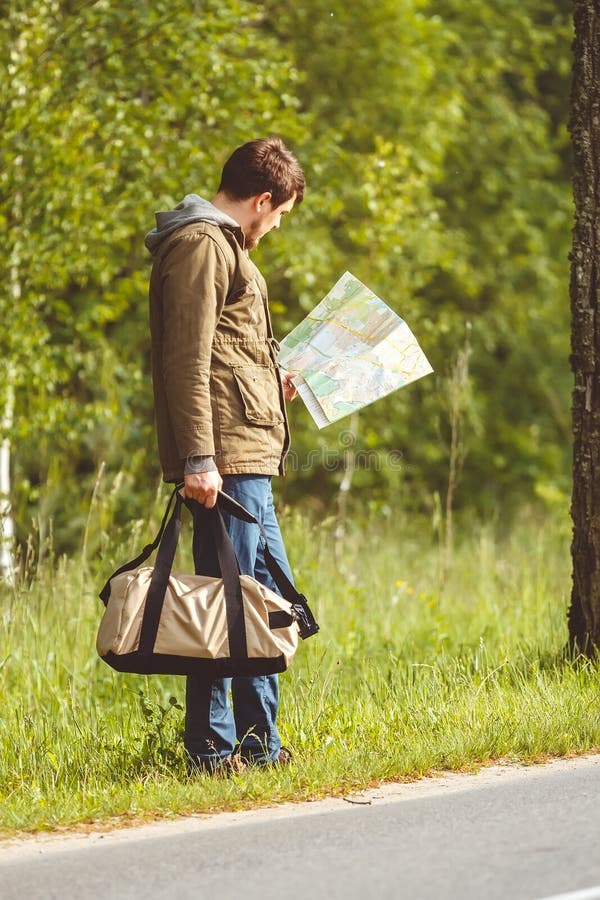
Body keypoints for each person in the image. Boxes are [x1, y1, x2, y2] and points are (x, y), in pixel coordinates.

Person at [144, 137, 306, 772]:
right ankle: (213, 749)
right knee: (229, 601)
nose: (276, 226)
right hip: (226, 458)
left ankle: (257, 744)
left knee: (256, 597)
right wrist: (197, 458)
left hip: (243, 450)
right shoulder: (204, 245)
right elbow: (186, 359)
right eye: (281, 214)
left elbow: (226, 353)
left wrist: (274, 381)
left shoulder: (221, 246)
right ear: (263, 199)